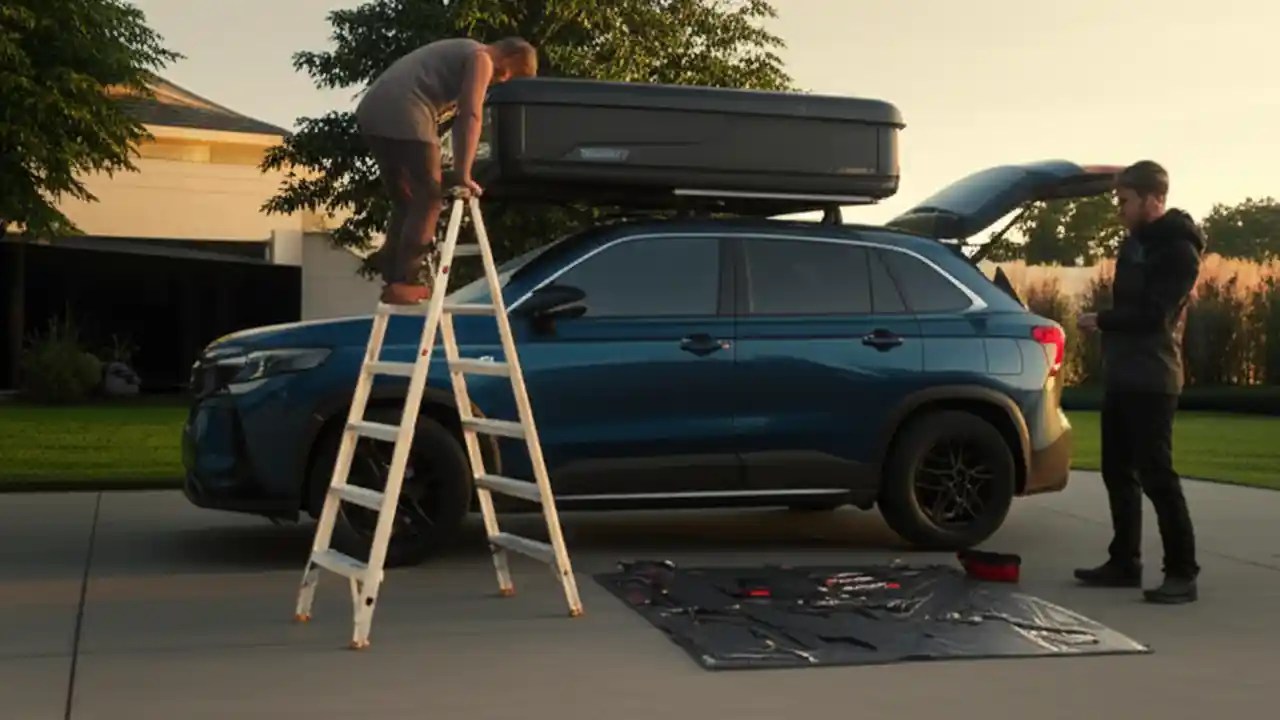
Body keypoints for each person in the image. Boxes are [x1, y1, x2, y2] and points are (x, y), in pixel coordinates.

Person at [1074, 160, 1205, 604]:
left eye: (1126, 201)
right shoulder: (1133, 245)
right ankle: (1124, 561)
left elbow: (1156, 315)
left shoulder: (1179, 251)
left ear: (1154, 199)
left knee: (1158, 476)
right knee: (1117, 472)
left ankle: (1182, 572)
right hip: (1123, 375)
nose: (1120, 209)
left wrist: (1101, 320)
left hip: (1154, 377)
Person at [355, 37, 538, 305]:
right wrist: (464, 173)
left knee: (405, 200)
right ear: (508, 57)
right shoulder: (482, 58)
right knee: (429, 198)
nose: (502, 81)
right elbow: (470, 115)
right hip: (405, 109)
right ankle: (407, 281)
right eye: (510, 75)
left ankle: (392, 271)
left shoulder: (461, 51)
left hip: (373, 111)